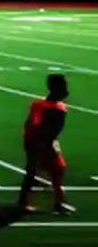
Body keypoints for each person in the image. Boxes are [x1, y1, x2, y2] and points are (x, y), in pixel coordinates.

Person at [19, 74, 76, 215]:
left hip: (37, 141)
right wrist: (44, 144)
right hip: (41, 142)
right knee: (47, 170)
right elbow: (40, 126)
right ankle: (54, 203)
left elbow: (30, 124)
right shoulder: (55, 109)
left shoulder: (41, 105)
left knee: (42, 171)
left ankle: (26, 201)